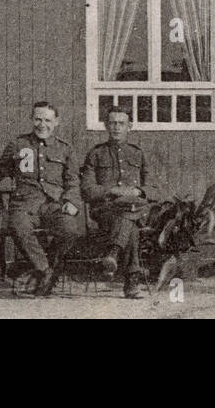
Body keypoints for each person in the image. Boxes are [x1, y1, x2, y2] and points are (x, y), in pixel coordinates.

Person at [0, 101, 81, 297]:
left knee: (71, 229)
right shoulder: (18, 145)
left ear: (56, 122)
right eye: (38, 119)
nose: (42, 124)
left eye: (47, 120)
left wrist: (71, 201)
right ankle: (46, 272)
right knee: (18, 227)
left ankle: (46, 269)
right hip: (24, 204)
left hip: (52, 205)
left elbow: (73, 181)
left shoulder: (65, 149)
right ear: (32, 120)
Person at [80, 107, 158, 299]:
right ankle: (131, 282)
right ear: (106, 126)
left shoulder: (138, 154)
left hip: (136, 210)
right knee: (128, 223)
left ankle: (113, 253)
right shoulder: (96, 154)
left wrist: (139, 191)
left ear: (129, 126)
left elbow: (155, 189)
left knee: (129, 216)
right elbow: (87, 189)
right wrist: (112, 190)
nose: (116, 127)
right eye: (112, 123)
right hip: (107, 212)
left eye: (121, 123)